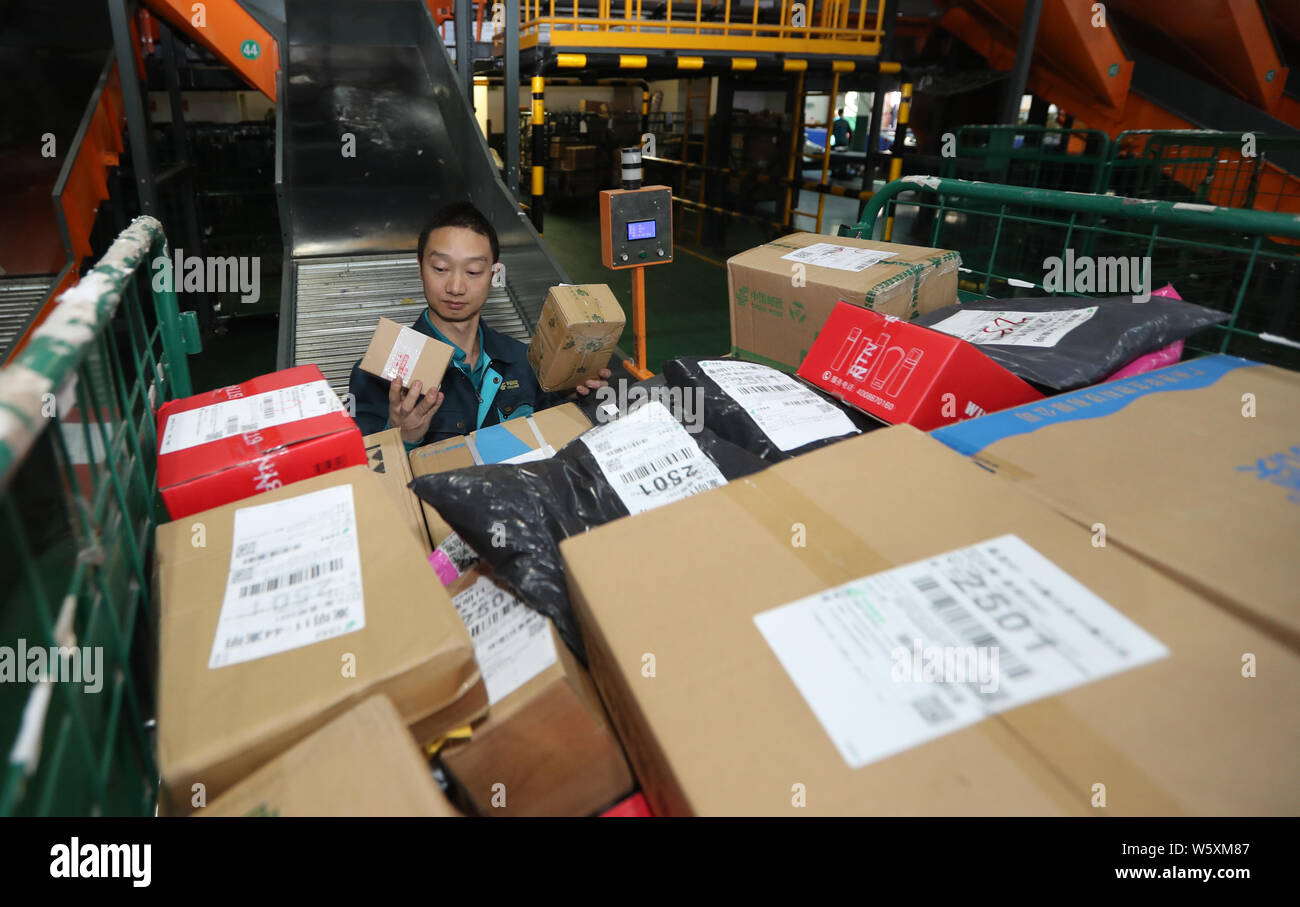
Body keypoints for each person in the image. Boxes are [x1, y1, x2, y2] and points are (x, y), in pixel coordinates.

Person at [348, 201, 611, 447]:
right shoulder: (379, 374)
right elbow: (364, 479)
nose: (455, 287)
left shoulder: (524, 362)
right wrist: (402, 438)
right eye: (440, 268)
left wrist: (574, 398)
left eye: (473, 272)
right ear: (420, 267)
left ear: (494, 275)